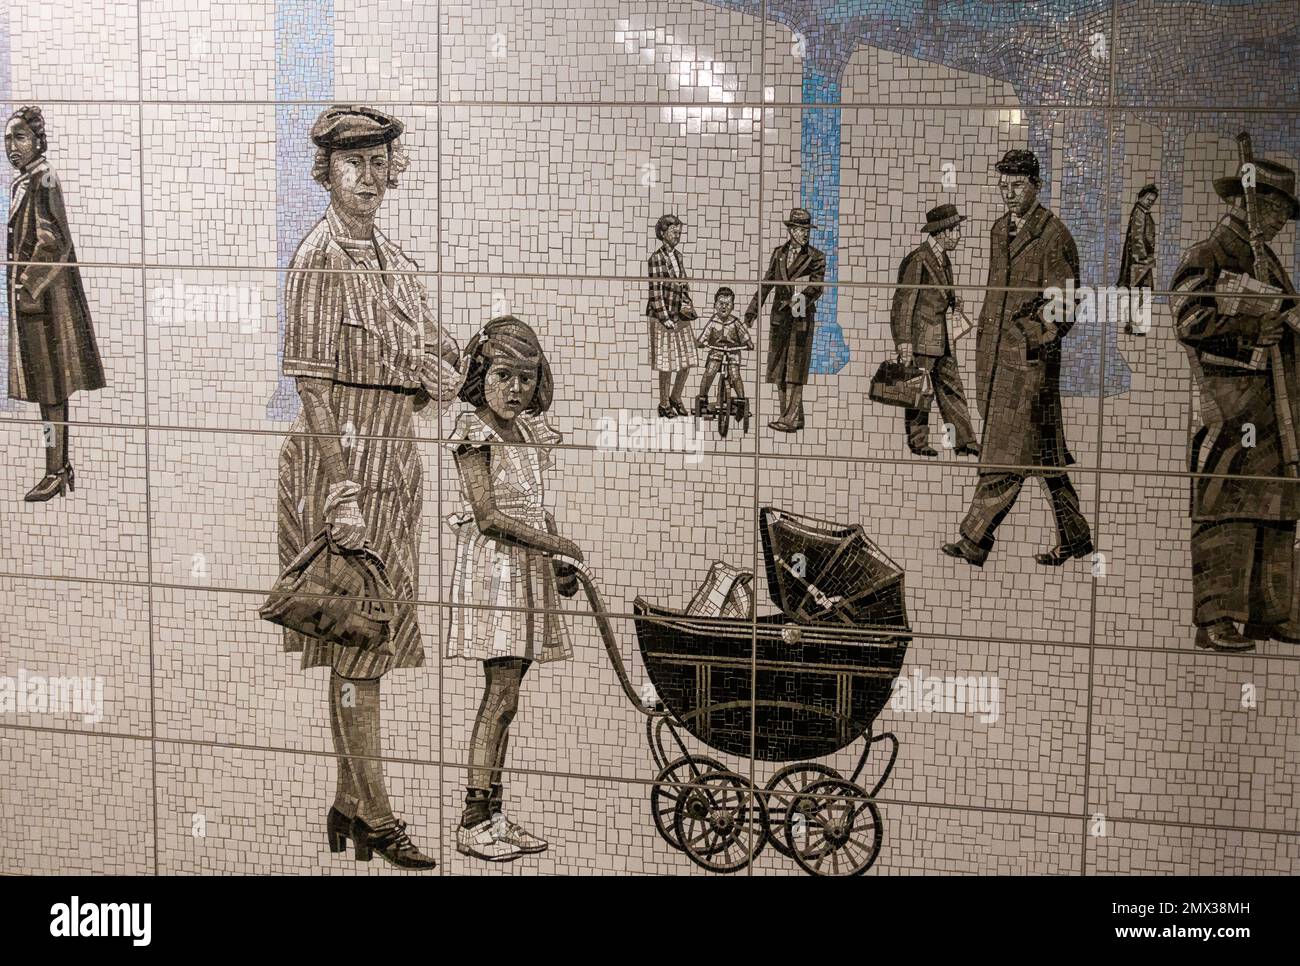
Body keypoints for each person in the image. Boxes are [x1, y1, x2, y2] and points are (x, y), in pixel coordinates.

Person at [273, 106, 461, 870]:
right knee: (359, 646)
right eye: (357, 164)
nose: (372, 177)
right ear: (328, 171)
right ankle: (377, 816)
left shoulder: (392, 260)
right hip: (340, 462)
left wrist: (439, 377)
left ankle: (350, 807)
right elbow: (313, 389)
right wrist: (341, 490)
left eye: (383, 162)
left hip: (395, 461)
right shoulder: (317, 259)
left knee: (364, 645)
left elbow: (418, 358)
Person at [446, 316, 583, 862]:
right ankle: (474, 819)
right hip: (496, 571)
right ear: (480, 374)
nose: (514, 390)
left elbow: (535, 505)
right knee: (499, 696)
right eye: (502, 375)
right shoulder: (472, 433)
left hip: (526, 569)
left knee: (509, 697)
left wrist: (556, 558)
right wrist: (555, 545)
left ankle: (494, 814)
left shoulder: (527, 433)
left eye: (525, 379)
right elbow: (488, 516)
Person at [1171, 155, 1300, 652]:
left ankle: (1272, 613)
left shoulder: (1268, 260)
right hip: (1227, 406)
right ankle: (1218, 616)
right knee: (1225, 506)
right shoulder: (1209, 253)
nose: (1280, 218)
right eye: (1274, 206)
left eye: (1285, 209)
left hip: (1276, 408)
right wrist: (1250, 328)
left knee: (1277, 507)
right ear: (1248, 203)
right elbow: (1188, 320)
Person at [942, 149, 1093, 568]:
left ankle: (974, 539)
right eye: (1003, 185)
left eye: (1017, 185)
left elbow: (1065, 303)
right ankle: (1077, 538)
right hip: (996, 360)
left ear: (1035, 185)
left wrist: (1030, 337)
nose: (1008, 193)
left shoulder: (1054, 235)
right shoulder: (997, 230)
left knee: (1002, 459)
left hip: (1029, 368)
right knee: (1047, 462)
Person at [5, 105, 105, 502]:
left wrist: (25, 285)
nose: (12, 147)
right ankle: (56, 467)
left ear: (38, 141)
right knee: (47, 397)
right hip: (34, 307)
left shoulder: (43, 179)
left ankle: (56, 469)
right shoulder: (24, 182)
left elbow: (54, 241)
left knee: (51, 396)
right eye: (8, 139)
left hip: (46, 307)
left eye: (20, 138)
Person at [889, 203, 978, 457]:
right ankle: (918, 442)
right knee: (919, 392)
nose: (959, 235)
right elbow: (903, 302)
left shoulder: (943, 259)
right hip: (920, 340)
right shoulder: (918, 259)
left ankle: (965, 441)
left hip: (942, 338)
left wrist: (953, 301)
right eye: (956, 230)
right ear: (942, 232)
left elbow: (939, 294)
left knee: (952, 389)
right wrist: (903, 341)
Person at [746, 207, 827, 432]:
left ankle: (789, 418)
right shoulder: (778, 254)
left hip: (801, 319)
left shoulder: (816, 256)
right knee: (779, 369)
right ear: (791, 230)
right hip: (779, 320)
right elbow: (767, 284)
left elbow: (816, 287)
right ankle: (791, 416)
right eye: (800, 230)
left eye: (807, 230)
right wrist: (751, 312)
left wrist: (798, 301)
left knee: (796, 370)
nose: (805, 234)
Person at [646, 214, 696, 418]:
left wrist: (687, 302)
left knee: (687, 361)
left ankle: (676, 397)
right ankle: (664, 403)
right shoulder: (656, 258)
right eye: (674, 232)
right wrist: (664, 317)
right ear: (663, 233)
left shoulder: (679, 256)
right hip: (662, 317)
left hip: (681, 314)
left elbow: (683, 284)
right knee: (666, 364)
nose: (678, 236)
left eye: (679, 232)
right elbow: (656, 291)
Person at [694, 286, 752, 418]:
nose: (724, 307)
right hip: (716, 352)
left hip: (733, 353)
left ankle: (741, 401)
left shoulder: (735, 322)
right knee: (709, 372)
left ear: (732, 306)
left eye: (727, 304)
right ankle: (702, 399)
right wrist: (701, 343)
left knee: (735, 375)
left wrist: (748, 343)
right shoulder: (713, 322)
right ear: (715, 305)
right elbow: (704, 336)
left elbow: (745, 336)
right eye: (721, 304)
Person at [1117, 183, 1158, 334]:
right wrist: (1143, 259)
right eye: (1148, 199)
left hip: (1141, 262)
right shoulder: (1139, 213)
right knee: (1141, 292)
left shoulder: (1141, 212)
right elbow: (1137, 238)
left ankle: (1134, 324)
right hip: (1140, 264)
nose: (1150, 202)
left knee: (1140, 293)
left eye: (1152, 200)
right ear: (1141, 196)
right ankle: (1135, 324)